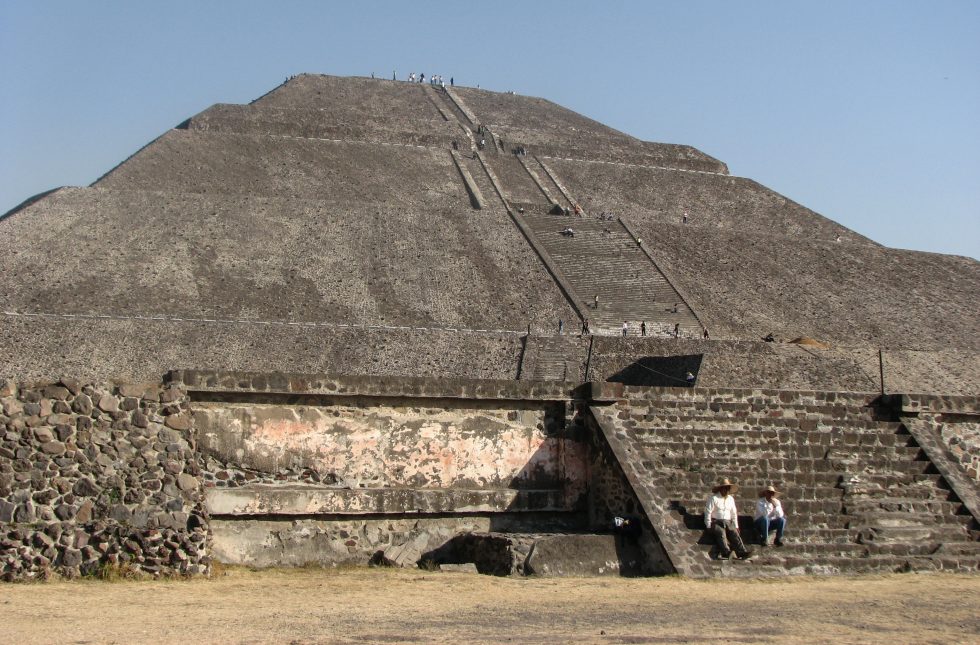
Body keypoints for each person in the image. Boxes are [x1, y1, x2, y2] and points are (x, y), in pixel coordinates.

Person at [704, 479, 753, 560]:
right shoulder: (713, 498)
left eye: (728, 489)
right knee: (721, 533)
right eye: (725, 488)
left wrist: (736, 526)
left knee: (734, 533)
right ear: (721, 489)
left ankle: (742, 552)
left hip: (728, 521)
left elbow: (734, 513)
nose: (727, 490)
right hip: (716, 521)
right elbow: (708, 512)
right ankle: (726, 552)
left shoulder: (730, 499)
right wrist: (708, 525)